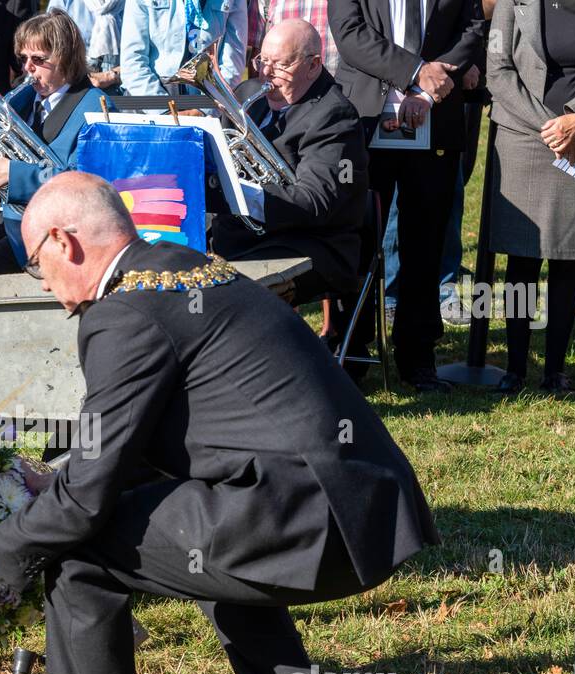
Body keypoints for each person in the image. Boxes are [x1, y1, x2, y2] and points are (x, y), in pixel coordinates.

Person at [0, 172, 440, 674]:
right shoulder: (189, 267)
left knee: (82, 551)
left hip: (299, 517)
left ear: (64, 241)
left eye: (36, 265)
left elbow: (84, 508)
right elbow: (153, 438)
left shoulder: (120, 315)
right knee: (195, 538)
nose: (46, 287)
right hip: (362, 508)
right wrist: (65, 478)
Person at [329, 0, 487, 393]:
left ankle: (417, 357)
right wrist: (415, 72)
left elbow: (471, 28)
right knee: (359, 237)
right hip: (367, 118)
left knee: (426, 240)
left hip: (437, 116)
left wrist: (432, 85)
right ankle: (353, 350)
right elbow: (349, 33)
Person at [209, 20, 370, 360]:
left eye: (280, 64)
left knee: (227, 289)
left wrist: (241, 193)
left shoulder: (334, 115)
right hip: (242, 235)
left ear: (313, 65)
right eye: (261, 61)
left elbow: (314, 201)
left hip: (312, 244)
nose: (266, 73)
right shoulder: (246, 96)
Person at [486, 0, 575, 394]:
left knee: (569, 255)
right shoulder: (514, 3)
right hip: (523, 138)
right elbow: (498, 69)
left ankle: (555, 369)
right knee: (522, 257)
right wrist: (548, 126)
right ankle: (515, 367)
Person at [0, 10, 107, 277]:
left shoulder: (95, 106)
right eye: (23, 58)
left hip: (51, 231)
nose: (27, 68)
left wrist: (11, 173)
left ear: (67, 59)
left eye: (38, 59)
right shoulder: (21, 99)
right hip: (3, 219)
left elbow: (84, 183)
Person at [121, 0, 249, 104]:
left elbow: (232, 64)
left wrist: (204, 109)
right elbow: (132, 61)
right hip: (149, 100)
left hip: (205, 99)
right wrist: (164, 111)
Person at [46, 0, 126, 91]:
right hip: (75, 86)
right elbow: (50, 50)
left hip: (125, 86)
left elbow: (141, 57)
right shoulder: (64, 2)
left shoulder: (136, 3)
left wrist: (112, 76)